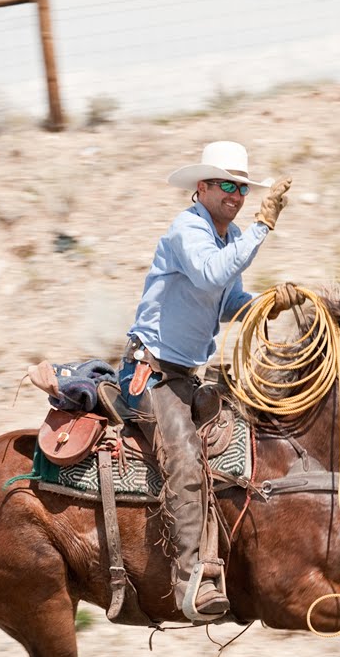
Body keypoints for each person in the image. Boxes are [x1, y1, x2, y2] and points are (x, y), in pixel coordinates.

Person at [119, 140, 302, 622]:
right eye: (226, 185)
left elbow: (223, 302)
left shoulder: (227, 236)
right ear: (201, 187)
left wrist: (270, 302)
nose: (235, 194)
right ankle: (192, 580)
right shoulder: (187, 230)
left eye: (241, 187)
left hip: (185, 372)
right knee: (182, 459)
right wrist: (263, 226)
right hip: (152, 371)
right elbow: (207, 276)